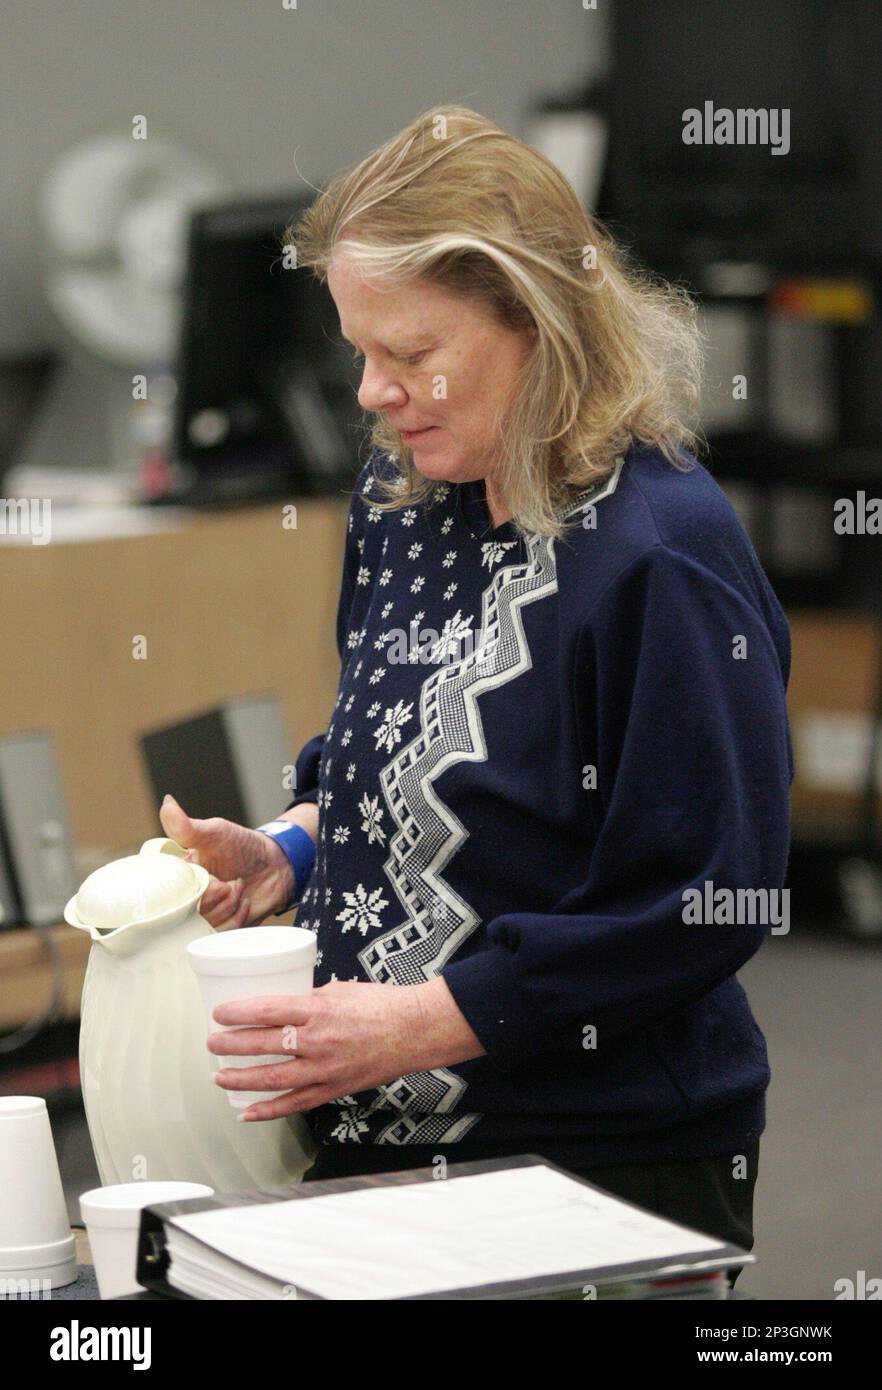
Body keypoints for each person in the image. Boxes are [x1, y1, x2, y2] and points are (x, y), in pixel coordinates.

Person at [160, 105, 793, 1282]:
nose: (372, 392)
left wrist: (429, 1019)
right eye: (359, 351)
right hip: (382, 1140)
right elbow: (399, 740)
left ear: (542, 321)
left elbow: (711, 894)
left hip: (600, 1160)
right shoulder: (407, 497)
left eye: (411, 352)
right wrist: (300, 841)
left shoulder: (663, 553)